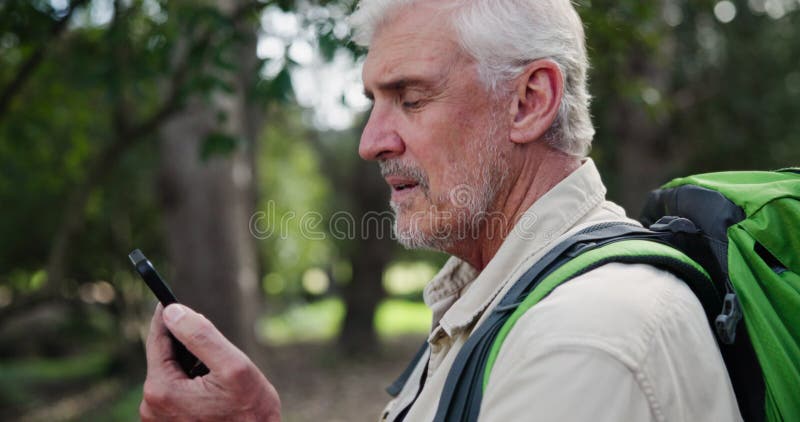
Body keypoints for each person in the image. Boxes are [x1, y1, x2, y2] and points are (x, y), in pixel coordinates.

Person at [140, 0, 743, 420]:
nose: (371, 141)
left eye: (411, 98)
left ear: (529, 103)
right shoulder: (503, 292)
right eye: (374, 101)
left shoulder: (581, 341)